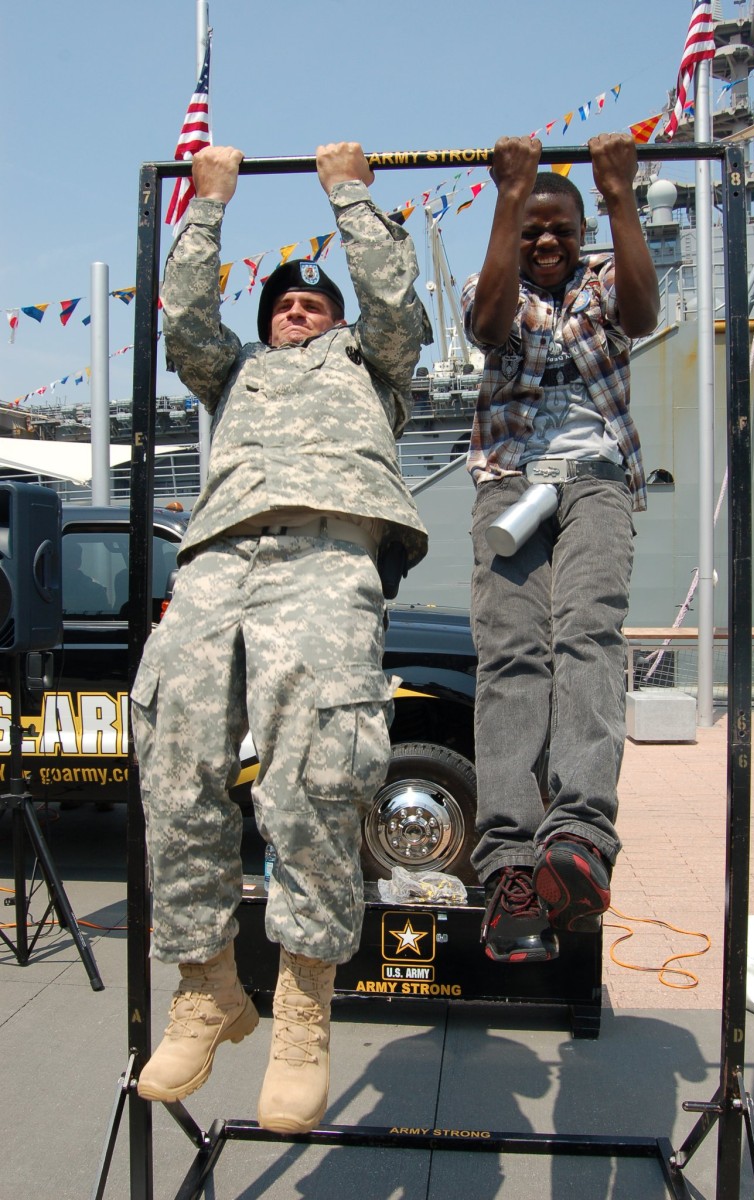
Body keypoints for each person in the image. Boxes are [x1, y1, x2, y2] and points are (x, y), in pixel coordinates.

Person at [130, 141, 430, 1132]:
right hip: (218, 557)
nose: (296, 310)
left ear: (336, 318)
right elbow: (183, 321)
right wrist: (205, 208)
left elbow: (394, 301)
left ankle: (305, 1001)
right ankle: (207, 982)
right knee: (172, 748)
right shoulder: (235, 374)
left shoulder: (371, 362)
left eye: (313, 303)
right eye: (282, 305)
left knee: (313, 770)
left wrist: (347, 194)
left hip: (325, 550)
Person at [461, 133, 659, 963]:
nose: (548, 243)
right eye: (534, 229)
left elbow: (644, 317)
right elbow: (487, 327)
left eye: (561, 230)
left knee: (588, 634)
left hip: (597, 480)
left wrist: (620, 197)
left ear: (584, 232)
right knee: (510, 655)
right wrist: (507, 200)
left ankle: (578, 836)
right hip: (511, 479)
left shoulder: (609, 281)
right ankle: (509, 861)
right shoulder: (497, 279)